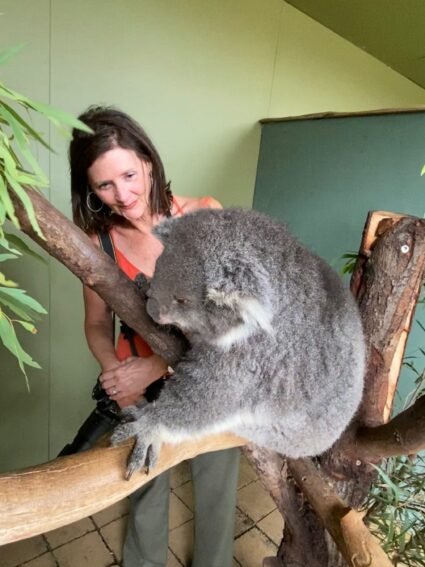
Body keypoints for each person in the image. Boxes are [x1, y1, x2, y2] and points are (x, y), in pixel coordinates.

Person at [69, 106, 240, 567]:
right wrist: (115, 374)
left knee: (216, 487)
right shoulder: (97, 242)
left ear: (147, 160)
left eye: (128, 174)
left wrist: (157, 365)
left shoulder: (206, 215)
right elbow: (97, 324)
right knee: (142, 486)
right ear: (90, 188)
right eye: (104, 185)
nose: (122, 195)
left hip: (209, 381)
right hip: (137, 391)